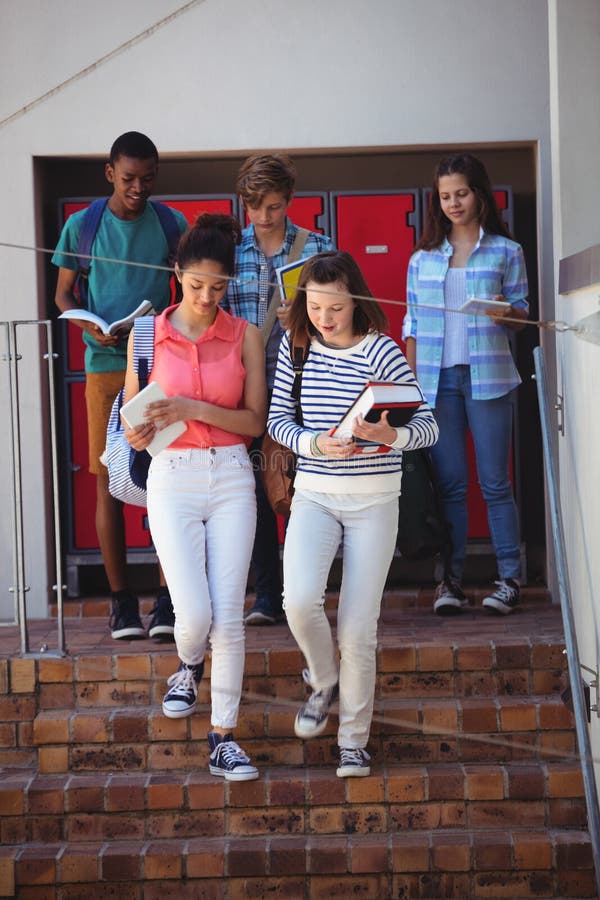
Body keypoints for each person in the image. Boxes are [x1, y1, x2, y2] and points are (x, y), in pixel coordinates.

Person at [267, 251, 438, 777]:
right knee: (297, 601)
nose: (324, 318)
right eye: (315, 306)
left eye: (335, 307)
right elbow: (277, 421)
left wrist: (394, 435)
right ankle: (323, 680)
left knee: (359, 629)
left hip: (374, 503)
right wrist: (314, 443)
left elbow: (429, 426)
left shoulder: (382, 351)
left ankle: (352, 742)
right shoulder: (296, 350)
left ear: (355, 301)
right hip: (316, 495)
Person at [123, 213, 266, 781]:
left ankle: (223, 736)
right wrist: (138, 429)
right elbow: (133, 419)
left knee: (228, 617)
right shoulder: (145, 334)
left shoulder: (246, 336)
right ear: (177, 273)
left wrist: (191, 409)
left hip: (232, 475)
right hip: (172, 476)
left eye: (219, 287)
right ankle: (187, 661)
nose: (207, 297)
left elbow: (254, 422)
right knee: (195, 614)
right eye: (197, 285)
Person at [52, 131, 188, 641]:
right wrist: (86, 324)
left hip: (156, 362)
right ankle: (121, 602)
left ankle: (167, 601)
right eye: (129, 178)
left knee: (161, 476)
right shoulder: (81, 227)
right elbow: (64, 294)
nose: (138, 187)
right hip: (104, 366)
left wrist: (154, 322)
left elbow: (186, 291)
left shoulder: (172, 224)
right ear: (110, 173)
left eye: (148, 178)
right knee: (110, 477)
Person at [403, 152, 529, 616]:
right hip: (437, 383)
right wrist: (413, 390)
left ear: (479, 194)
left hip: (489, 377)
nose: (453, 203)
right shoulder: (422, 258)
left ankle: (510, 578)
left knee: (495, 483)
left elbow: (522, 316)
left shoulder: (505, 251)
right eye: (445, 196)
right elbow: (411, 323)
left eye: (461, 193)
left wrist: (505, 311)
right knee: (452, 486)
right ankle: (450, 582)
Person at [223, 154, 333, 625]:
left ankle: (308, 590)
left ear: (289, 200)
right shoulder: (229, 252)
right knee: (254, 487)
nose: (263, 216)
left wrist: (304, 320)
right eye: (254, 207)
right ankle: (267, 595)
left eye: (272, 206)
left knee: (306, 484)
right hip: (246, 384)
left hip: (305, 380)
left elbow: (340, 319)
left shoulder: (319, 248)